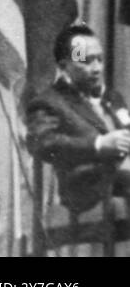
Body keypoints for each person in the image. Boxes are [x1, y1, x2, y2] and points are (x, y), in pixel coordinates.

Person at [27, 20, 130, 217]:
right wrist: (99, 144)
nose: (97, 68)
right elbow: (43, 144)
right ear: (64, 65)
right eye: (87, 60)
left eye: (99, 59)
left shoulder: (111, 97)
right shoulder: (48, 102)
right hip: (86, 186)